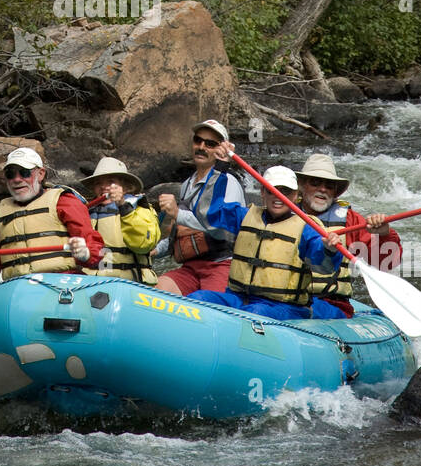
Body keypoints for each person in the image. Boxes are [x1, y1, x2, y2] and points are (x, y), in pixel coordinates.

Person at [187, 167, 342, 319]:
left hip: (285, 307)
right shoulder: (244, 216)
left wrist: (328, 249)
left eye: (285, 191)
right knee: (198, 297)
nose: (278, 196)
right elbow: (207, 212)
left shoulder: (306, 228)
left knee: (255, 312)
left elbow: (324, 267)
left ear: (295, 195)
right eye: (271, 190)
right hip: (238, 299)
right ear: (262, 192)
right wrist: (220, 168)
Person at [0, 147, 103, 281]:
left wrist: (86, 254)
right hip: (17, 287)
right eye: (10, 174)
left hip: (62, 283)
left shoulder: (65, 202)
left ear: (40, 174)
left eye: (24, 173)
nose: (17, 180)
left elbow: (95, 248)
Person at [296, 152, 402, 319]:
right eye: (315, 183)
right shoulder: (283, 213)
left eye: (329, 186)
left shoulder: (351, 221)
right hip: (285, 299)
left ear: (336, 192)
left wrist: (384, 234)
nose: (322, 189)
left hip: (329, 304)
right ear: (301, 185)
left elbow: (387, 263)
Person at [155, 120, 247, 296]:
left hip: (223, 264)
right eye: (198, 140)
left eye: (210, 144)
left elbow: (222, 229)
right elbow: (179, 232)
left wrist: (177, 213)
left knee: (210, 305)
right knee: (158, 288)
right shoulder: (186, 185)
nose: (202, 147)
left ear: (221, 150)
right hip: (191, 265)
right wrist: (156, 249)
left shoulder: (229, 183)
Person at [77, 157, 160, 284]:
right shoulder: (87, 212)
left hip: (131, 283)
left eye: (111, 182)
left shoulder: (140, 207)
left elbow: (143, 245)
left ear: (125, 188)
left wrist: (122, 205)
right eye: (98, 183)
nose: (104, 187)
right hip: (95, 283)